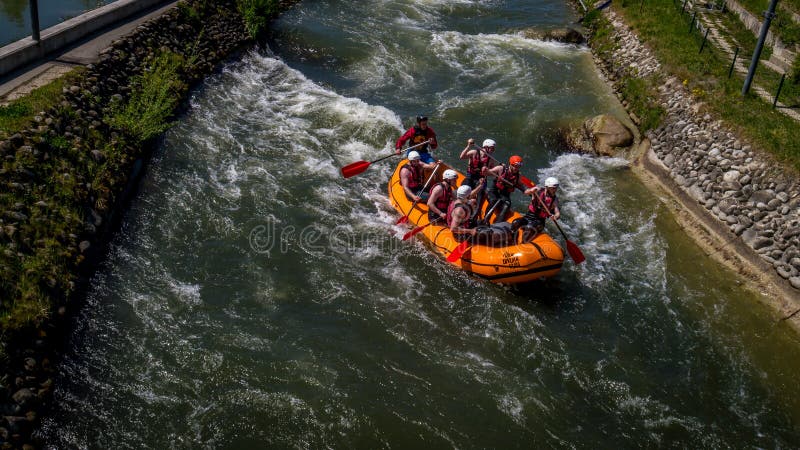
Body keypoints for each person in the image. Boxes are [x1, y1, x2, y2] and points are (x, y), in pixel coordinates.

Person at [459, 137, 496, 216]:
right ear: (486, 147)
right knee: (465, 191)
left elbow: (492, 174)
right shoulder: (474, 152)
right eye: (491, 149)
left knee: (480, 194)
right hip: (470, 176)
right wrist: (468, 146)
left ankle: (476, 213)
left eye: (493, 149)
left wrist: (487, 171)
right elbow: (461, 157)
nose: (493, 151)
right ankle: (461, 207)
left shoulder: (491, 159)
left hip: (481, 179)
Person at [485, 155, 526, 224]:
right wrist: (486, 170)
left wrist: (527, 191)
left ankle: (497, 224)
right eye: (515, 166)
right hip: (494, 192)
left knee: (507, 205)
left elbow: (520, 185)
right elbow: (489, 172)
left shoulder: (518, 175)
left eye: (518, 167)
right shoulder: (501, 168)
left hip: (504, 195)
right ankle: (486, 220)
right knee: (493, 200)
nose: (516, 168)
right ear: (511, 164)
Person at [521, 177, 561, 242]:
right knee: (515, 223)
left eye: (556, 188)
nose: (555, 190)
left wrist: (555, 217)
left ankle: (523, 244)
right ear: (547, 187)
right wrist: (531, 191)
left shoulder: (555, 200)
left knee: (529, 227)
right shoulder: (538, 190)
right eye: (553, 188)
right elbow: (526, 192)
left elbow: (557, 213)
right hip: (529, 216)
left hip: (540, 221)